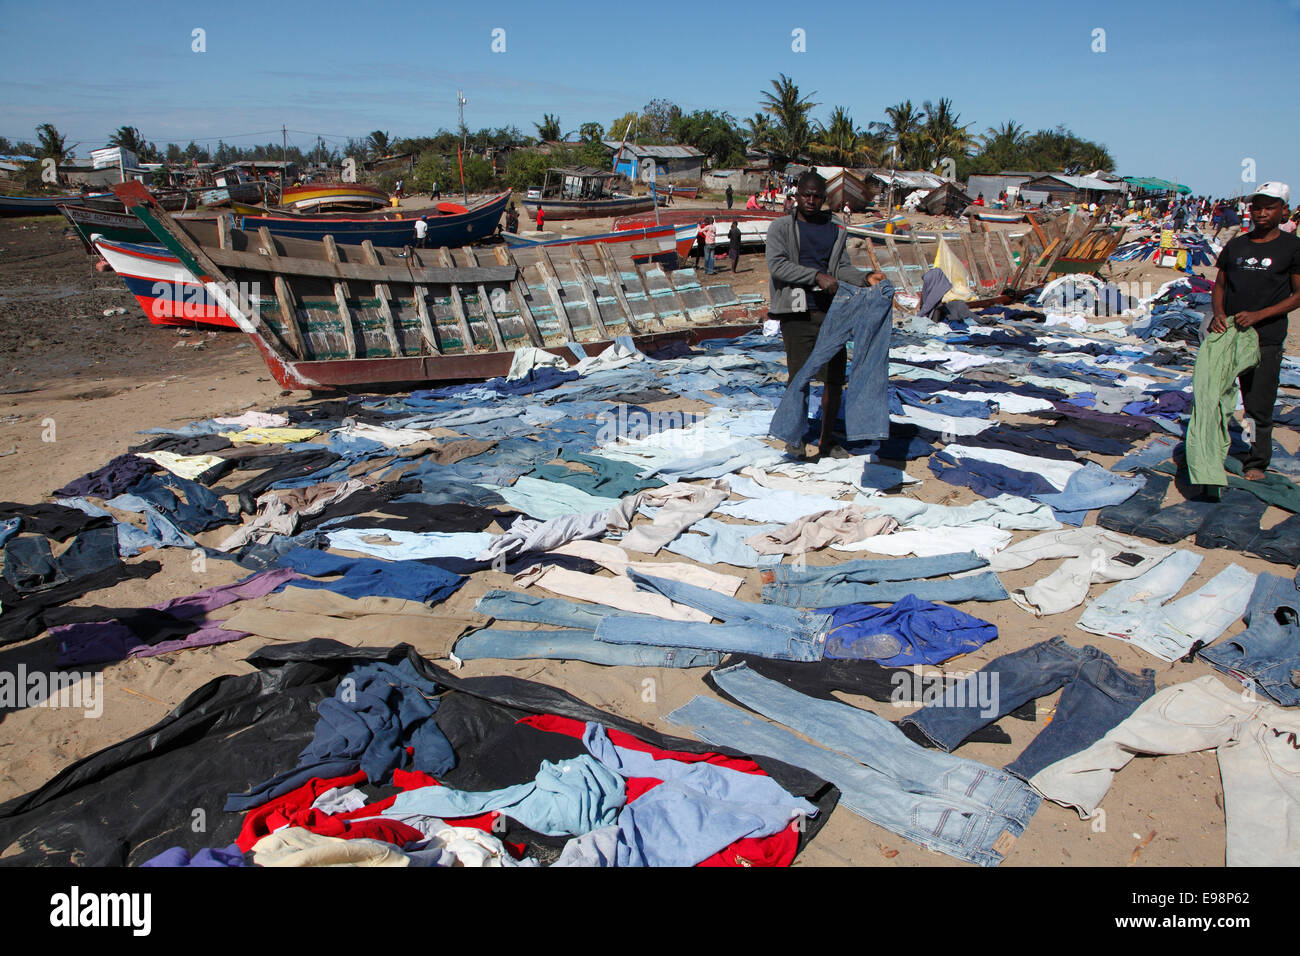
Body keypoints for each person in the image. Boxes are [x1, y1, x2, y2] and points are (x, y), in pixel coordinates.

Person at [766, 171, 886, 459]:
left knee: (834, 379)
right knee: (799, 378)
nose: (810, 200)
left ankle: (827, 440)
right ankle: (795, 438)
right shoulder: (781, 227)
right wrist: (816, 277)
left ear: (824, 199)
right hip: (796, 312)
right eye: (805, 195)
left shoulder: (835, 229)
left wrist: (864, 277)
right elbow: (778, 265)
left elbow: (840, 268)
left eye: (816, 196)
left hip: (832, 312)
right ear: (796, 195)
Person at [1209, 182, 1300, 481]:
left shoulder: (1292, 248)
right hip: (1228, 335)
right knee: (1214, 394)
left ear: (1283, 211)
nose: (1261, 213)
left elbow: (1298, 296)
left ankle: (1256, 460)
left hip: (1265, 338)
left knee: (1257, 403)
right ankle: (1211, 448)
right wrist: (1219, 314)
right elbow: (1220, 284)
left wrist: (1260, 315)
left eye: (1269, 207)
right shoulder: (1237, 245)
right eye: (1256, 206)